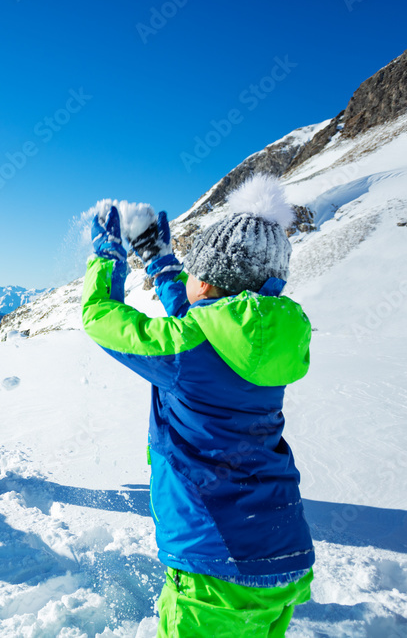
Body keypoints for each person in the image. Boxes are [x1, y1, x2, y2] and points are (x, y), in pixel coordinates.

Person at [81, 175, 315, 637]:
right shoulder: (266, 341)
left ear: (204, 282)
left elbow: (100, 317)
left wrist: (108, 258)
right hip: (283, 555)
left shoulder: (187, 351)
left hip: (214, 560)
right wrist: (161, 262)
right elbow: (203, 320)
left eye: (192, 273)